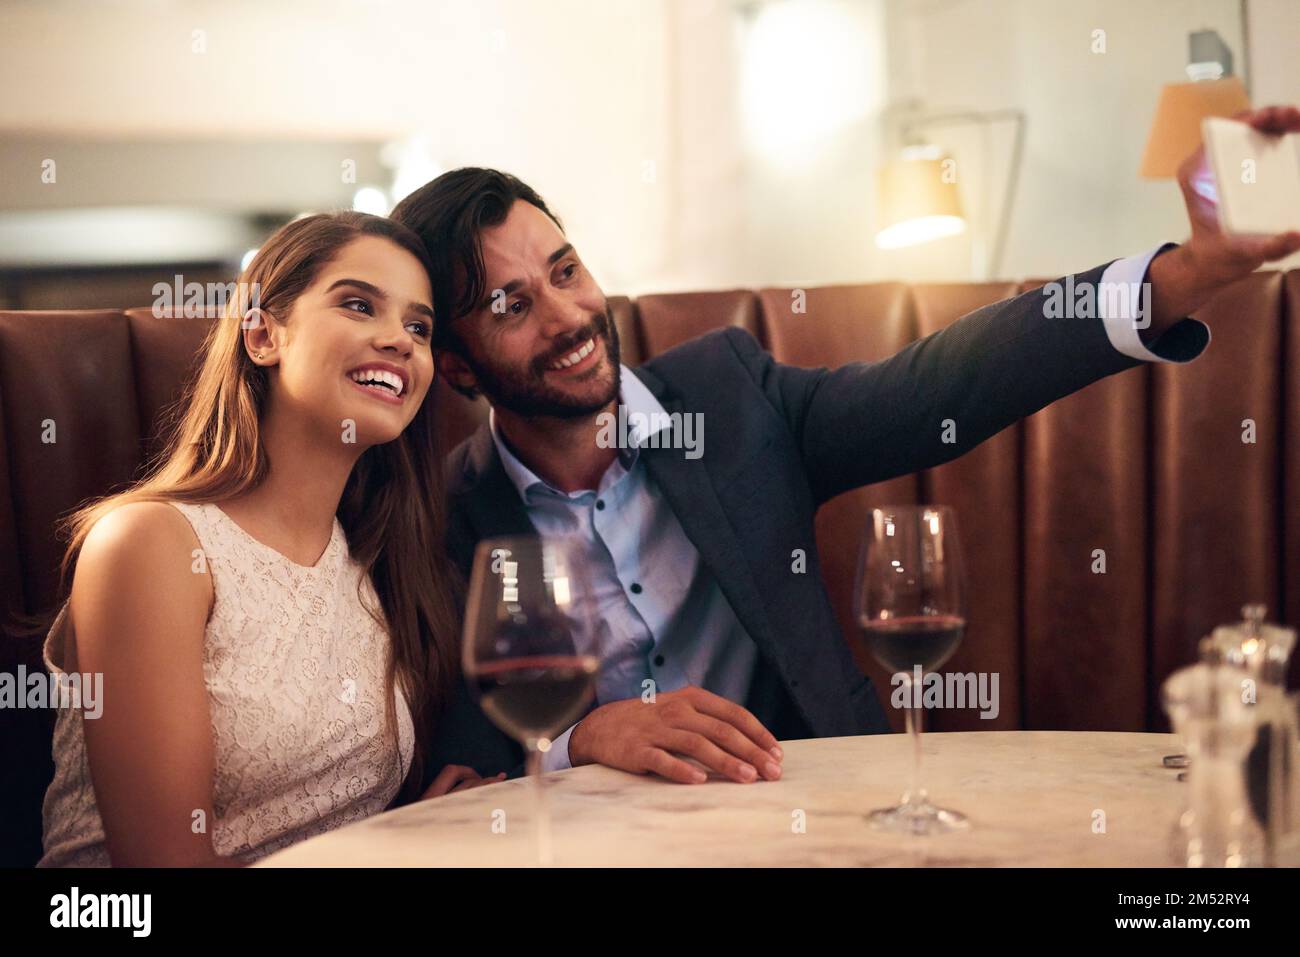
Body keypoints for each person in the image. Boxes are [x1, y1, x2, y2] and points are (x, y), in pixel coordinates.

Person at [393, 106, 1300, 788]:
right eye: (511, 307)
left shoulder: (730, 397)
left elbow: (949, 382)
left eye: (566, 271)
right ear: (460, 369)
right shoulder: (440, 520)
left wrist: (1195, 270)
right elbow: (458, 775)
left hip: (801, 816)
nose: (568, 318)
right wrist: (579, 739)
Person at [39, 211, 499, 868]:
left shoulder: (374, 566)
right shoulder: (149, 543)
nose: (398, 339)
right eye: (358, 304)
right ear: (261, 334)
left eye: (418, 327)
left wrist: (416, 825)